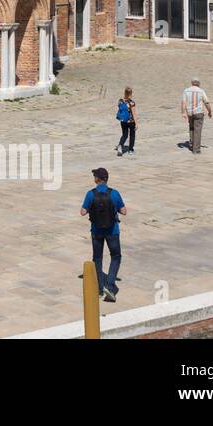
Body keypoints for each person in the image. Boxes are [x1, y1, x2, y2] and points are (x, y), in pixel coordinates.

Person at [79, 167, 127, 302]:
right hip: (113, 231)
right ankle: (110, 286)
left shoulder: (90, 194)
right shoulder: (114, 193)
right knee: (116, 257)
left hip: (96, 232)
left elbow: (83, 212)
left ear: (97, 179)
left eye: (94, 176)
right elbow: (124, 211)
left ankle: (99, 289)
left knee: (97, 258)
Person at [180, 77, 212, 155]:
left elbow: (183, 103)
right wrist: (209, 111)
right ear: (199, 84)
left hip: (190, 113)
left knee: (191, 128)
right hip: (199, 113)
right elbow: (206, 102)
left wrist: (183, 113)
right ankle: (196, 149)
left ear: (192, 83)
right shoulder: (201, 91)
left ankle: (191, 144)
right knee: (197, 130)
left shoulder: (186, 90)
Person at [115, 86, 137, 156]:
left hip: (123, 121)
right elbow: (133, 113)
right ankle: (130, 149)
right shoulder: (131, 103)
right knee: (132, 135)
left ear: (124, 92)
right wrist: (136, 123)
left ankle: (120, 145)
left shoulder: (120, 101)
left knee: (124, 135)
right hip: (131, 121)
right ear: (131, 93)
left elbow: (120, 109)